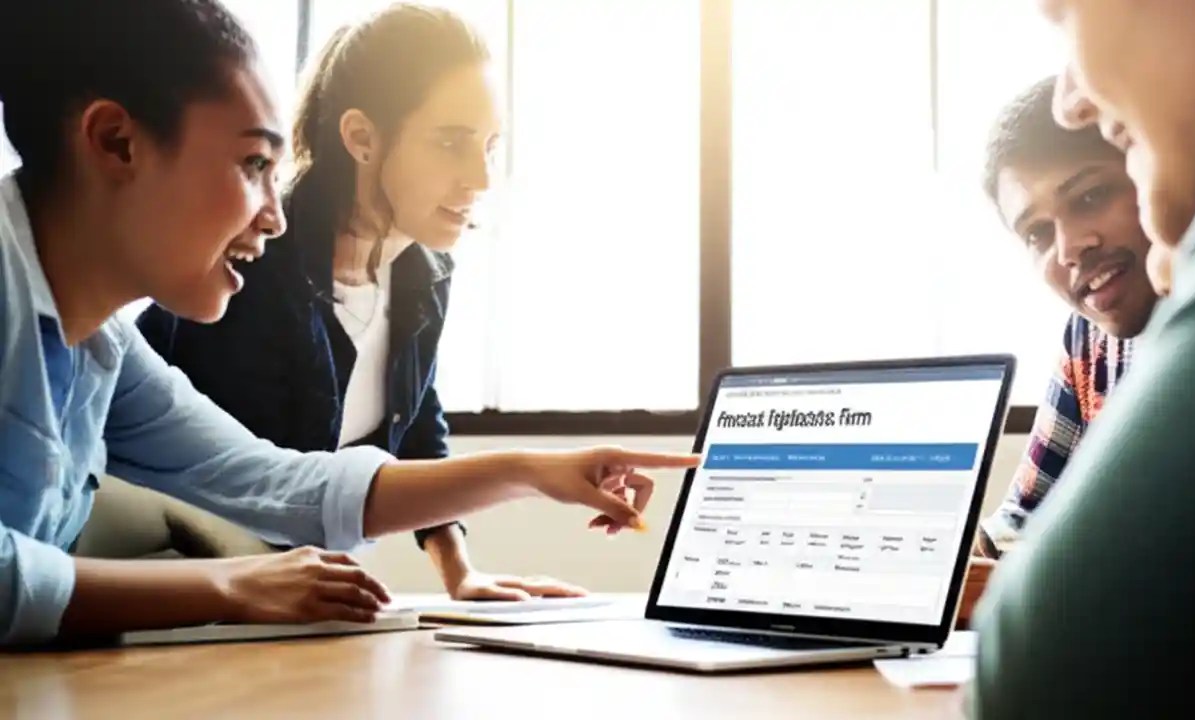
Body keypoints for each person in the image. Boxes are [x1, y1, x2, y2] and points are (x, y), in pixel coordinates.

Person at [0, 0, 696, 647]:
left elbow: (274, 478)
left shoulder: (106, 344)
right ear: (117, 141)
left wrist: (530, 472)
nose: (270, 216)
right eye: (251, 164)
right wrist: (231, 583)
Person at [136, 4, 585, 601]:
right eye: (451, 143)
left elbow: (420, 427)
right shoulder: (248, 257)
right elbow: (232, 476)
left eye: (491, 146)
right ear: (362, 138)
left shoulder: (425, 272)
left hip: (289, 596)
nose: (480, 178)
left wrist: (460, 574)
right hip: (183, 582)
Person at [969, 0, 1195, 717]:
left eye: (1064, 11)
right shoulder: (1093, 342)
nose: (1072, 98)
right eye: (1037, 234)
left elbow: (1050, 662)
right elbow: (1020, 535)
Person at [954, 75, 1161, 625]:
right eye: (1038, 234)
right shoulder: (1088, 337)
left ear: (1151, 167)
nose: (1071, 248)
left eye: (1091, 197)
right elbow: (1023, 517)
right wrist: (960, 546)